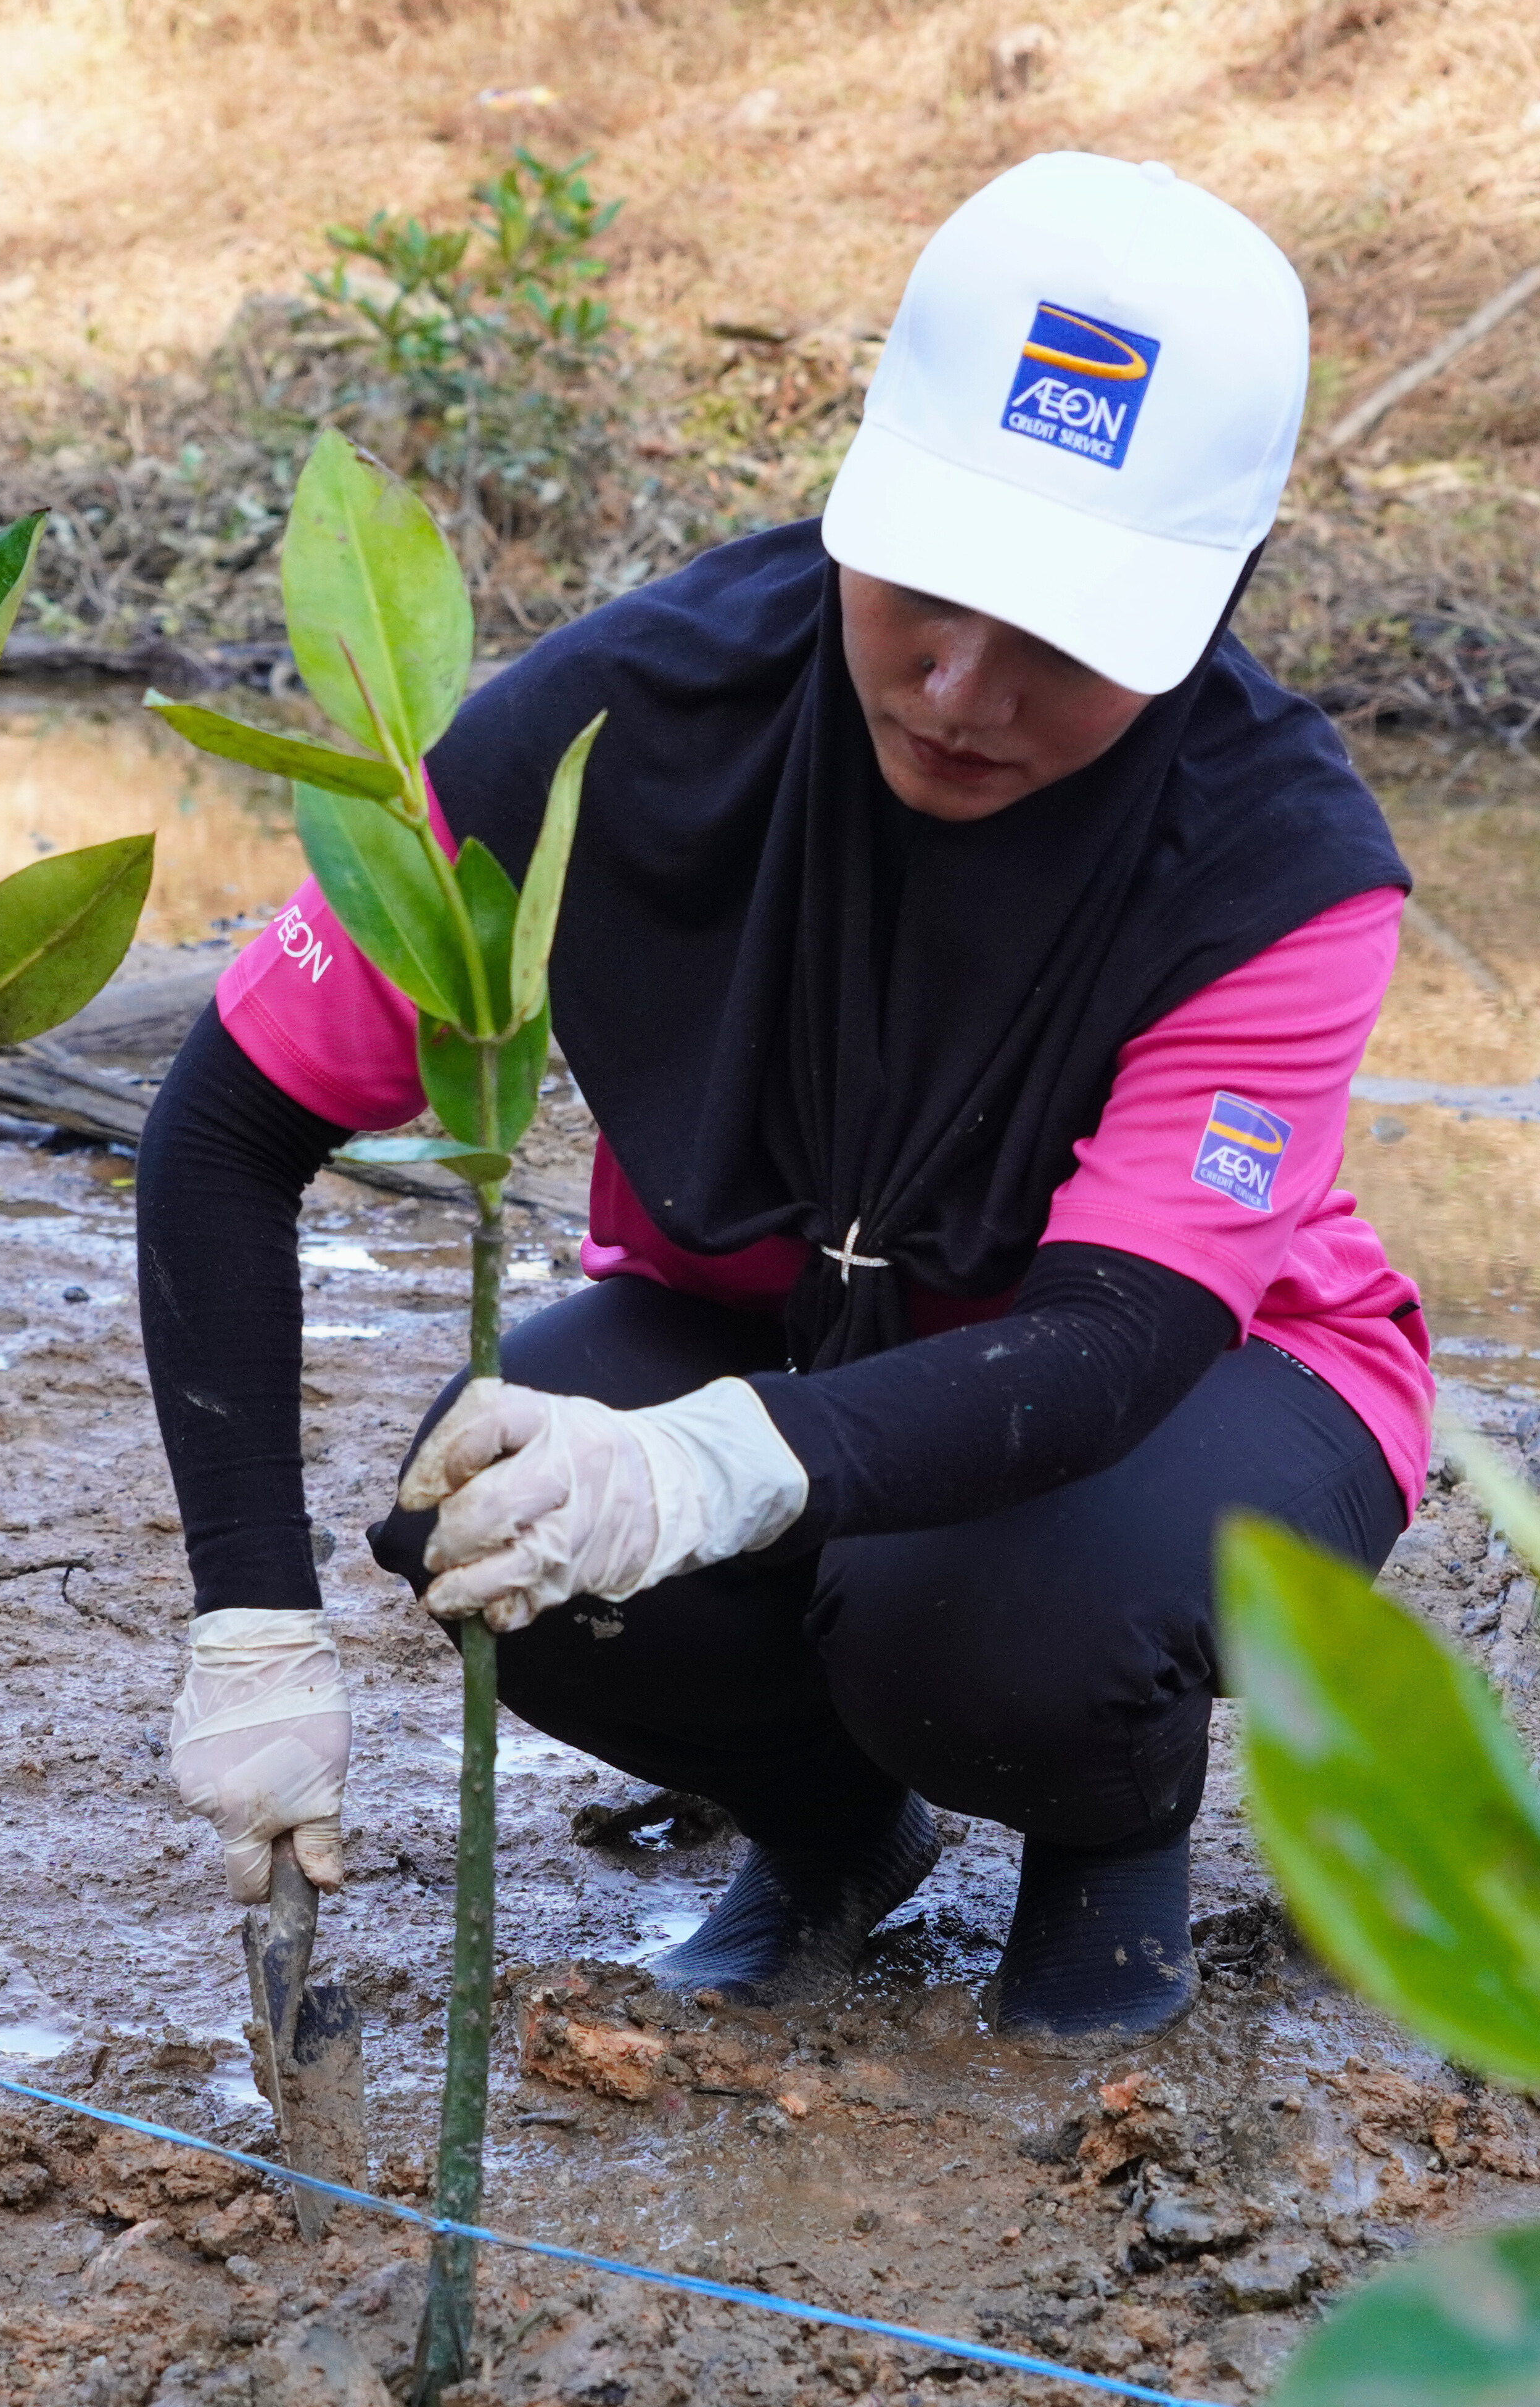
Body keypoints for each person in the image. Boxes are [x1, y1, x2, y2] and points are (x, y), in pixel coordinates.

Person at [140, 152, 1430, 2039]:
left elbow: (1115, 1337)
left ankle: (1108, 1854)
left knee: (983, 1615)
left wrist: (703, 1466)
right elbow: (228, 1128)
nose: (963, 687)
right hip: (784, 1326)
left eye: (1064, 637)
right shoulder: (617, 723)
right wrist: (253, 1622)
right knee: (488, 1517)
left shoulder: (1282, 867)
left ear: (1221, 588)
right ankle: (833, 1832)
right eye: (933, 586)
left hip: (1206, 1394)